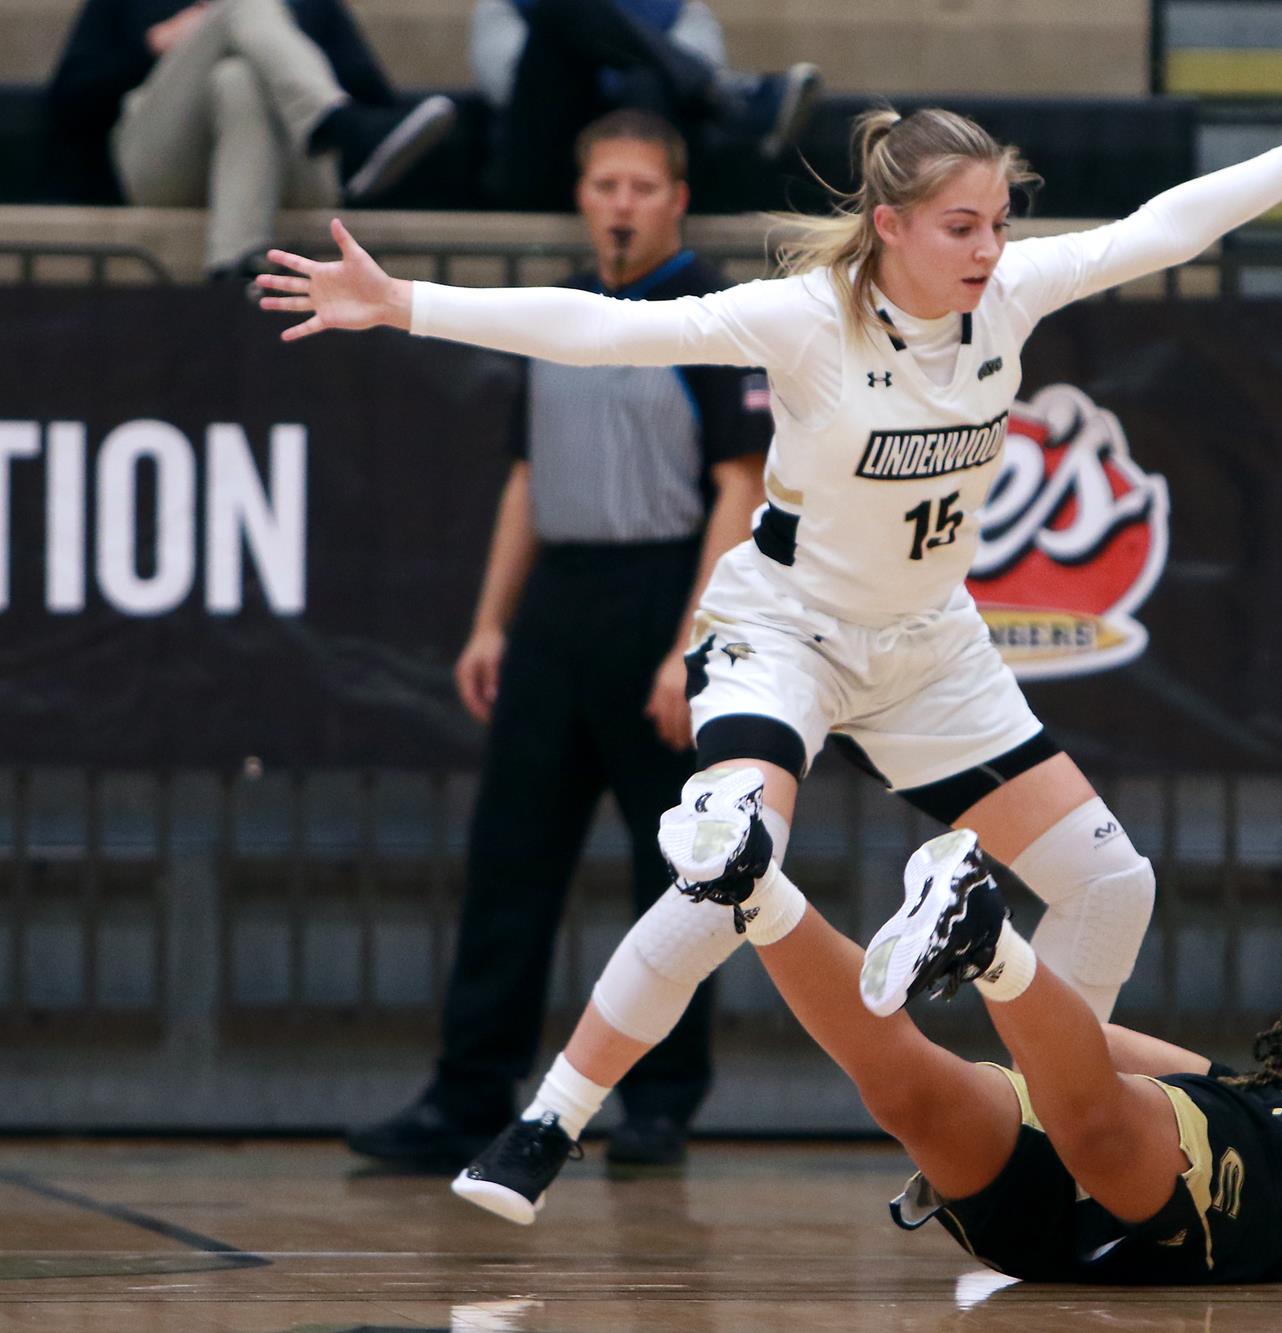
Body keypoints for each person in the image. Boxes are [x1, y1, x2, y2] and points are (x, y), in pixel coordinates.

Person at [256, 66, 1282, 1224]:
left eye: (999, 222)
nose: (989, 247)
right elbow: (607, 330)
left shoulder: (1008, 295)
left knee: (1111, 883)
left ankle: (1022, 1127)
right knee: (724, 862)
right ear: (888, 226)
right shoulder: (806, 318)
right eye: (960, 225)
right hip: (783, 634)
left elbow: (1164, 226)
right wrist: (404, 302)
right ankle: (549, 1118)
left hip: (929, 651)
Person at [469, 791, 1282, 1279]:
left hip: (1062, 1250)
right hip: (1233, 1194)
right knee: (1102, 1134)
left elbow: (1106, 1038)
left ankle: (755, 891)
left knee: (914, 1095)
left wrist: (1036, 1040)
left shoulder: (1267, 1088)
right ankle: (990, 944)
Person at [345, 109, 771, 1171]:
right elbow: (527, 479)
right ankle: (464, 1094)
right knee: (509, 861)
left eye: (641, 185)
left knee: (675, 868)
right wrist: (493, 619)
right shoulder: (557, 313)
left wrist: (691, 644)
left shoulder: (713, 316)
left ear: (675, 199)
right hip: (558, 607)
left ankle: (659, 1104)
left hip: (662, 592)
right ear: (581, 198)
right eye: (604, 185)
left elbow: (741, 485)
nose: (621, 203)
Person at [46, 0, 458, 281]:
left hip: (293, 170)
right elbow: (69, 103)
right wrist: (153, 46)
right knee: (240, 9)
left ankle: (233, 272)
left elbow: (371, 91)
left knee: (238, 80)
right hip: (164, 169)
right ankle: (334, 123)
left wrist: (279, 58)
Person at [468, 0, 820, 210]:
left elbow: (701, 62)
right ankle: (735, 104)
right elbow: (507, 87)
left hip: (650, 153)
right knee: (564, 9)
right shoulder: (512, 4)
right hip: (546, 162)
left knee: (652, 78)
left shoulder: (671, 5)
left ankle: (713, 96)